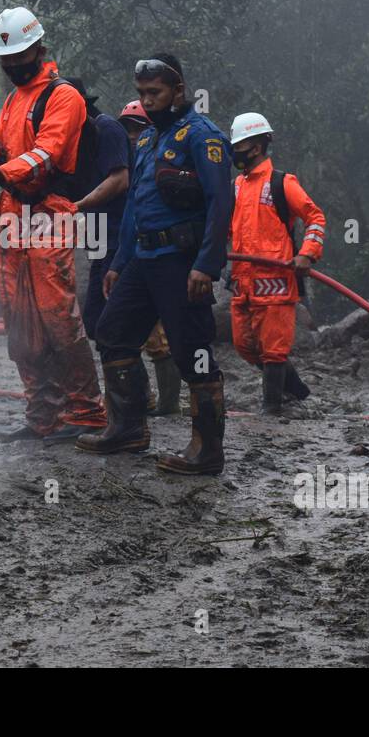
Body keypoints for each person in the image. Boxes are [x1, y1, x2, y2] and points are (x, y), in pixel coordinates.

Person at [77, 54, 233, 475]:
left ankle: (207, 451)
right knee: (112, 332)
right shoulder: (146, 141)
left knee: (192, 352)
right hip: (141, 261)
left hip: (181, 262)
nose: (146, 101)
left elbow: (222, 203)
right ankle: (127, 428)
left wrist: (207, 265)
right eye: (141, 93)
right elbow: (133, 208)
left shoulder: (203, 137)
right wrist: (117, 264)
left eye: (155, 93)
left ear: (179, 90)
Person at [0, 6, 107, 443]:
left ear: (40, 49)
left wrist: (0, 173)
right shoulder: (14, 99)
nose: (11, 66)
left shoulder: (63, 96)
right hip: (13, 216)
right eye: (5, 61)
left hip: (48, 214)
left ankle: (85, 413)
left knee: (57, 318)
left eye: (18, 57)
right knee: (20, 322)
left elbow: (47, 152)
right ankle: (42, 416)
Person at [228, 112, 326, 414]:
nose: (235, 152)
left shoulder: (282, 183)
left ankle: (272, 408)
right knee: (245, 345)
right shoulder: (237, 186)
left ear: (255, 146)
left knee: (273, 350)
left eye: (239, 145)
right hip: (242, 283)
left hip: (276, 283)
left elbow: (315, 218)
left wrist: (307, 253)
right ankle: (296, 390)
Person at [105, 99, 182, 416]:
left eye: (139, 128)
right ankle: (141, 403)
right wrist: (118, 265)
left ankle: (168, 406)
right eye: (129, 130)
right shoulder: (133, 168)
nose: (134, 136)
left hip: (164, 257)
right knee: (131, 334)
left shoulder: (169, 162)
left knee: (161, 337)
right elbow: (128, 221)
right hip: (136, 257)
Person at [63, 78, 128, 342]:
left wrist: (74, 206)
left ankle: (126, 379)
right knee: (95, 321)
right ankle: (117, 378)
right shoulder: (81, 140)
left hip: (118, 240)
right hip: (100, 241)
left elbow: (119, 180)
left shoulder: (107, 130)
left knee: (109, 323)